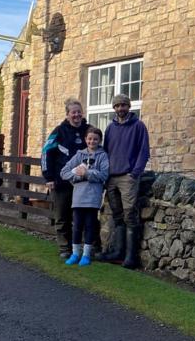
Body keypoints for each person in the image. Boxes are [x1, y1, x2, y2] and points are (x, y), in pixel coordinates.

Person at [100, 93, 150, 268]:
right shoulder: (110, 128)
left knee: (130, 215)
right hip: (112, 177)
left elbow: (144, 152)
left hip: (128, 177)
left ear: (129, 107)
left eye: (124, 105)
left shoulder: (138, 126)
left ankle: (131, 257)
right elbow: (105, 152)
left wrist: (135, 173)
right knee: (118, 215)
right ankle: (118, 252)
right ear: (114, 108)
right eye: (117, 106)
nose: (120, 108)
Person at [41, 97, 89, 258]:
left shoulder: (88, 130)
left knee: (84, 216)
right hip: (62, 182)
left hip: (83, 182)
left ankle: (86, 247)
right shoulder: (58, 131)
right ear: (67, 115)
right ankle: (64, 248)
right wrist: (48, 177)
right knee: (62, 217)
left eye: (79, 112)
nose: (76, 115)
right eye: (73, 112)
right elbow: (46, 153)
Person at [60, 127, 109, 267]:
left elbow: (104, 175)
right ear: (85, 139)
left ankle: (86, 255)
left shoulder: (103, 156)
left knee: (89, 226)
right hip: (78, 198)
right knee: (77, 226)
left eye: (95, 139)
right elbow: (64, 173)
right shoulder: (79, 155)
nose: (92, 141)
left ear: (99, 140)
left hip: (93, 198)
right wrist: (77, 175)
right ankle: (75, 253)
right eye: (89, 138)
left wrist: (87, 173)